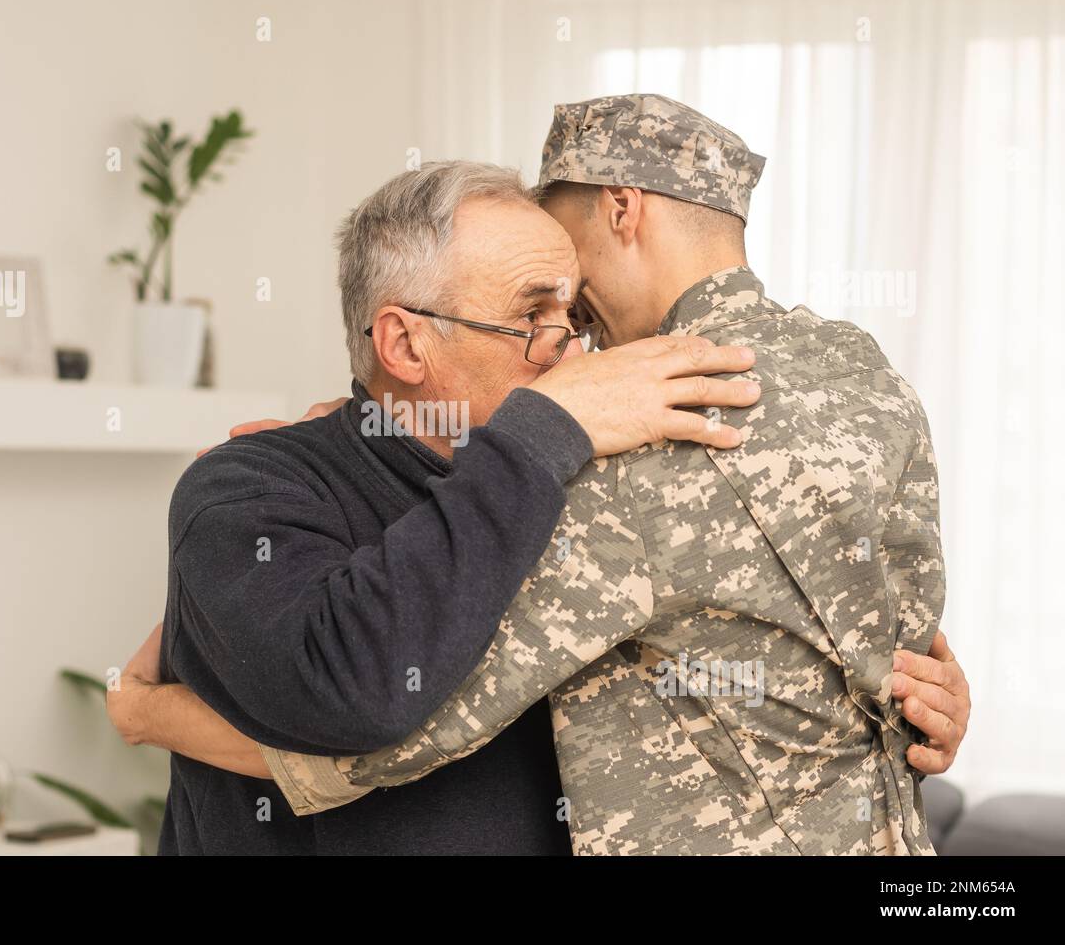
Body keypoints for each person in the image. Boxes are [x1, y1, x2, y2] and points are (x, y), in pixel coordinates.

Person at [251, 96, 965, 855]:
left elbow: (397, 718)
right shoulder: (864, 371)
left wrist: (154, 715)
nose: (563, 299)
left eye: (563, 233)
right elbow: (902, 657)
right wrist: (378, 422)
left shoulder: (645, 433)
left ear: (621, 209)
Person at [118, 160, 762, 854]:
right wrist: (543, 430)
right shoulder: (245, 487)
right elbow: (354, 689)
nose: (574, 356)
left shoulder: (586, 485)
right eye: (532, 315)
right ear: (404, 344)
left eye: (573, 317)